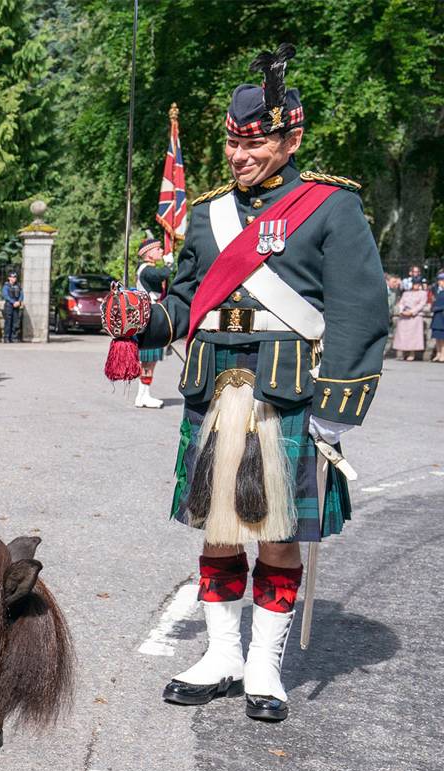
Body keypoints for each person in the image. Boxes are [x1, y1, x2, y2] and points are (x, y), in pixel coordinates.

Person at [119, 47, 389, 723]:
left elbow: (360, 309)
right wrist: (146, 320)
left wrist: (337, 412)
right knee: (216, 531)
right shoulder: (208, 216)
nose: (240, 157)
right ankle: (221, 655)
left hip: (286, 393)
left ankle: (265, 665)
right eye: (234, 144)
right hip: (215, 390)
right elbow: (184, 304)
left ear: (291, 139)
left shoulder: (330, 207)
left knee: (277, 534)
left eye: (256, 143)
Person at [135, 234, 172, 408]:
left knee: (150, 360)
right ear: (149, 253)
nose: (162, 251)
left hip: (151, 314)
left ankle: (143, 394)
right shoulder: (147, 269)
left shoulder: (147, 268)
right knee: (149, 359)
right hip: (150, 316)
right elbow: (162, 275)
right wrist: (169, 264)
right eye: (158, 249)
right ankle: (143, 394)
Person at [392, 276, 428, 361]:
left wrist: (411, 312)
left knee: (413, 336)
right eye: (414, 284)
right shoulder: (406, 293)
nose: (416, 285)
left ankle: (412, 353)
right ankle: (404, 352)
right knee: (403, 335)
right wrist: (401, 310)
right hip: (404, 315)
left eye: (417, 284)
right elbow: (401, 303)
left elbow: (421, 304)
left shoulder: (422, 293)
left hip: (414, 316)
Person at [0, 270, 23, 342]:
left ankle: (14, 337)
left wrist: (19, 301)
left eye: (15, 277)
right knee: (8, 322)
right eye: (12, 277)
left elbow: (21, 294)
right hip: (9, 305)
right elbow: (5, 295)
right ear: (9, 278)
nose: (14, 278)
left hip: (16, 305)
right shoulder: (6, 286)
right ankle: (7, 337)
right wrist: (13, 302)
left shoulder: (18, 286)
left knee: (15, 322)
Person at [432, 271, 444, 362]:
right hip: (437, 316)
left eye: (442, 280)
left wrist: (437, 308)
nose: (440, 282)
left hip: (442, 315)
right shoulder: (438, 290)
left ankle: (443, 354)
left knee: (442, 337)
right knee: (437, 336)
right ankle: (438, 353)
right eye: (439, 280)